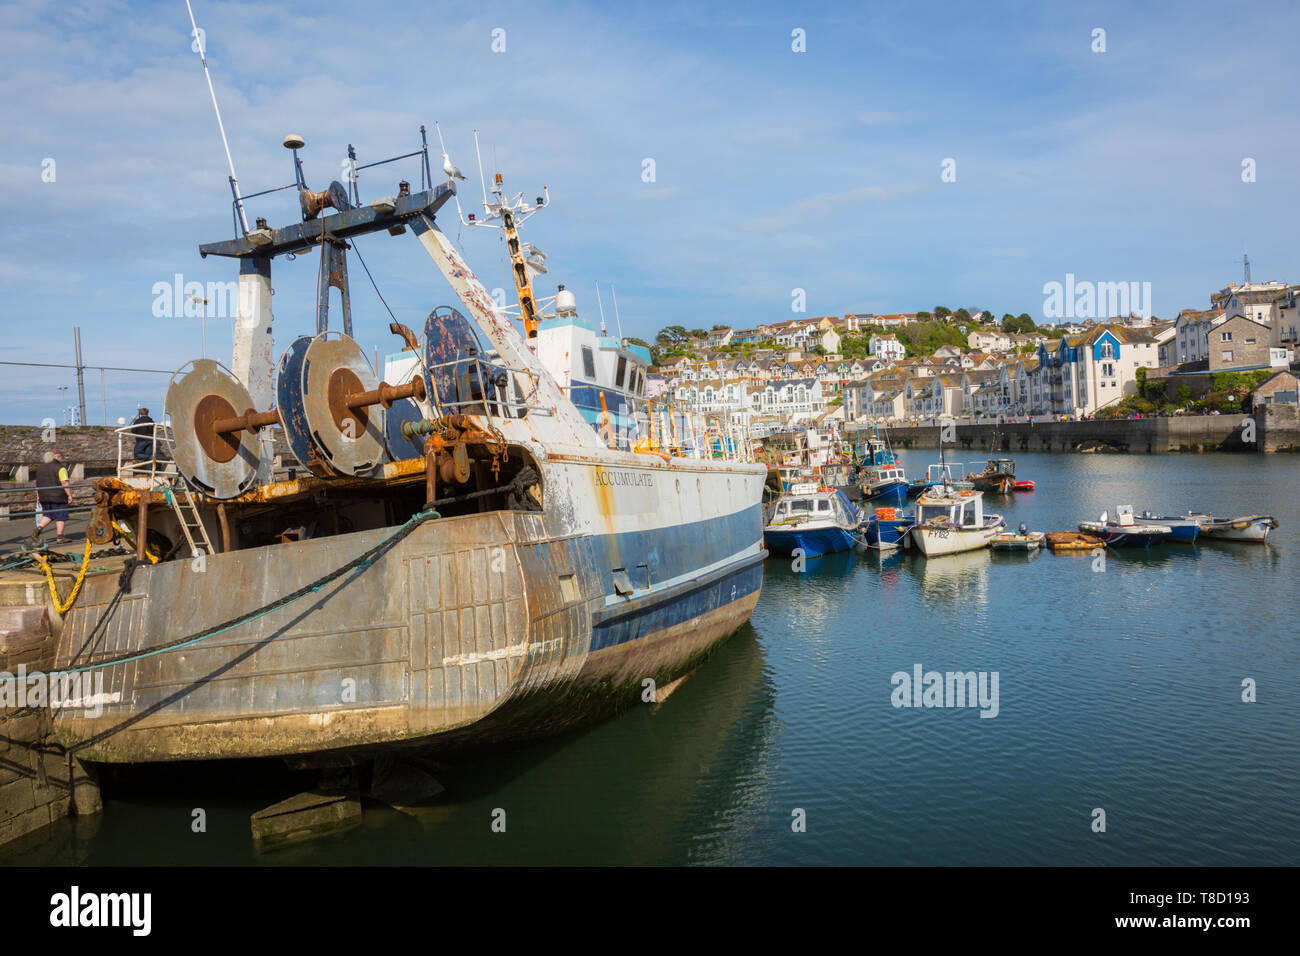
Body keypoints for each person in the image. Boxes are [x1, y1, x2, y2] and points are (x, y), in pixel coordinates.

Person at [31, 449, 73, 545]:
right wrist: (69, 495)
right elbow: (64, 482)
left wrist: (38, 496)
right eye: (61, 457)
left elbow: (38, 483)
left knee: (48, 515)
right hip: (58, 496)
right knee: (61, 516)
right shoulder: (60, 468)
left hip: (44, 496)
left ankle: (37, 530)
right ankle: (60, 537)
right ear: (56, 457)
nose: (61, 459)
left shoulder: (40, 468)